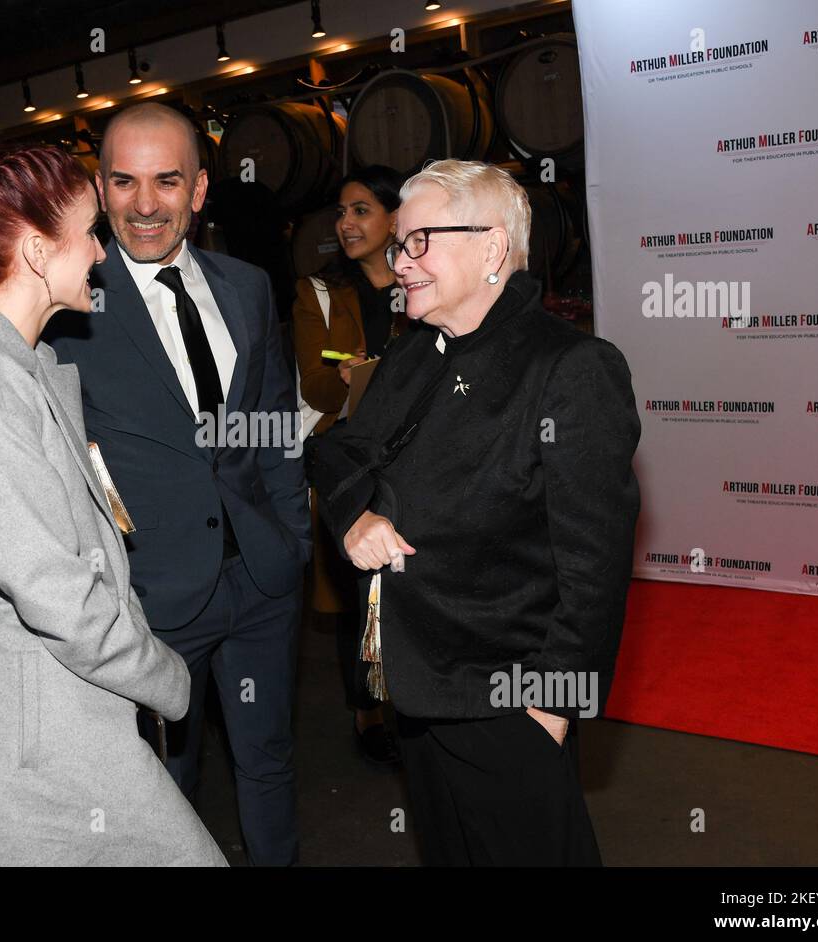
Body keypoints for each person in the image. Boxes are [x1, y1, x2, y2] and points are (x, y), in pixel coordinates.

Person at [0, 143, 226, 867]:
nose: (102, 255)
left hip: (67, 709)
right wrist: (168, 676)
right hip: (44, 733)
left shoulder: (21, 368)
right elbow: (61, 600)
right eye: (90, 233)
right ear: (39, 252)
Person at [313, 159, 641, 866]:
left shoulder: (572, 368)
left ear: (492, 248)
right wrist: (354, 517)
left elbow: (596, 564)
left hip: (506, 702)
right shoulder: (415, 355)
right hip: (418, 688)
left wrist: (549, 712)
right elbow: (341, 453)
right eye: (399, 243)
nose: (400, 262)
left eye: (417, 241)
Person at [44, 103, 311, 866]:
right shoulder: (71, 307)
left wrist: (292, 540)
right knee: (161, 785)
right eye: (124, 181)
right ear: (100, 188)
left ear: (199, 190)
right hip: (152, 600)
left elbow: (272, 426)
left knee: (269, 761)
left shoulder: (248, 287)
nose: (145, 203)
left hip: (261, 577)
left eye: (167, 181)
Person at [292, 165, 410, 768]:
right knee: (359, 593)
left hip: (418, 456)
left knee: (415, 586)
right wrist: (345, 375)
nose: (346, 223)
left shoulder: (424, 280)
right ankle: (368, 712)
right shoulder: (319, 292)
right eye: (342, 212)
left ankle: (422, 699)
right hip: (350, 459)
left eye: (362, 210)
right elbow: (313, 383)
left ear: (396, 217)